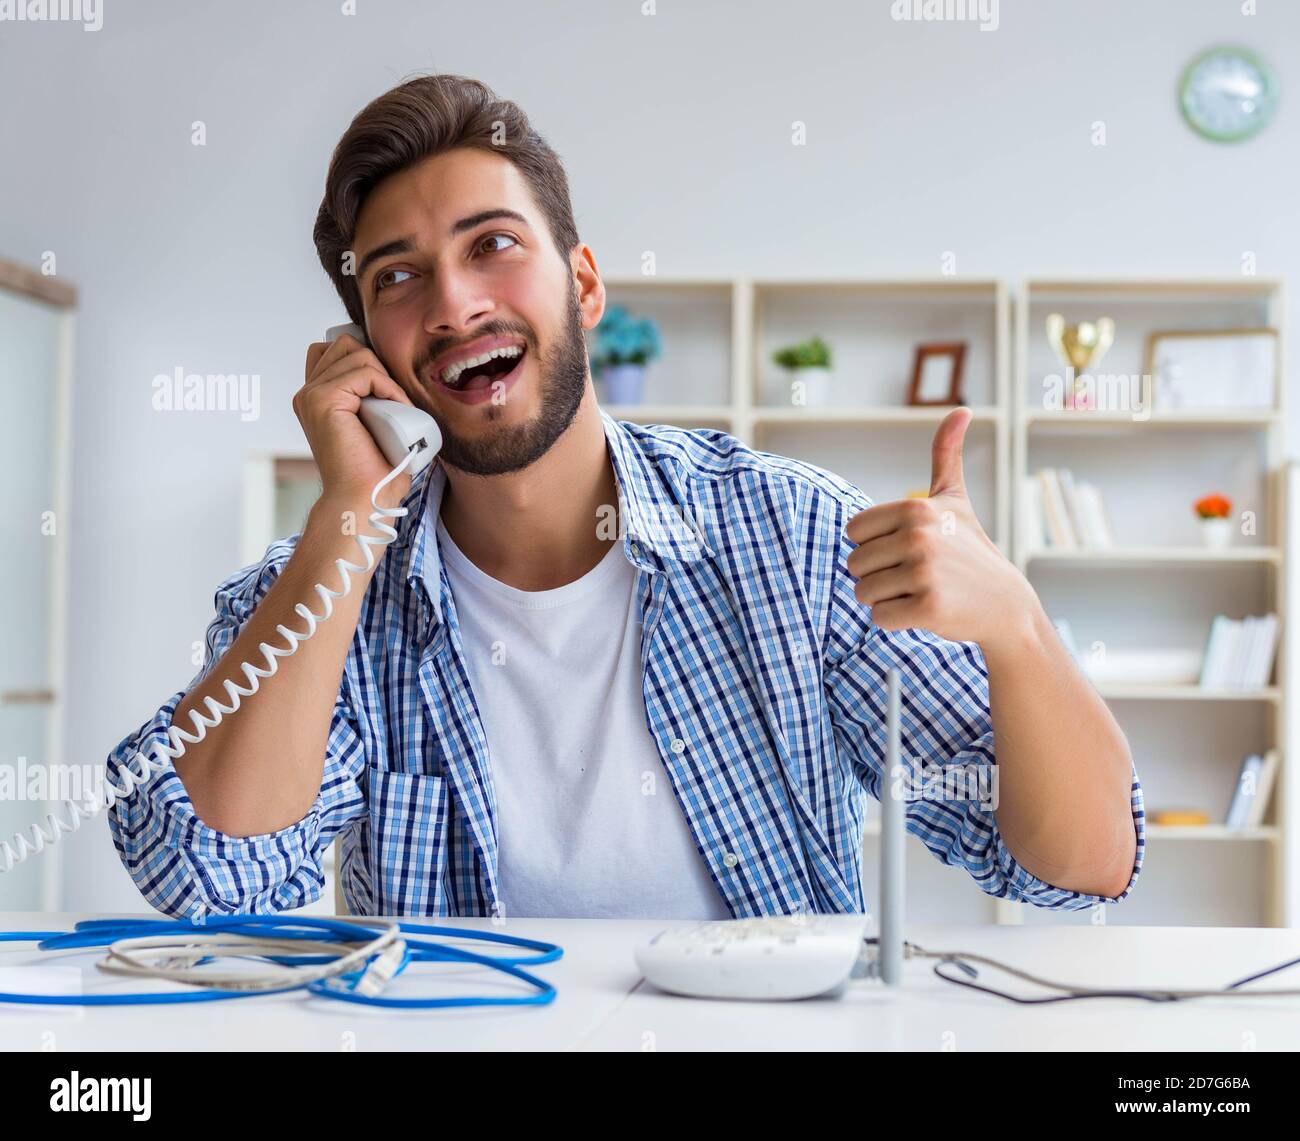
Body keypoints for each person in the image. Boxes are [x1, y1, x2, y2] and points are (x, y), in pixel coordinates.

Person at [107, 73, 1143, 921]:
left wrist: (1015, 625)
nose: (456, 303)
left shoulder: (789, 537)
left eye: (493, 246)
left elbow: (1082, 864)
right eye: (396, 278)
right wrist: (345, 522)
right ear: (362, 354)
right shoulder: (320, 598)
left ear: (585, 286)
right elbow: (207, 879)